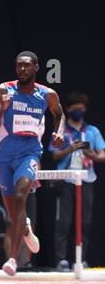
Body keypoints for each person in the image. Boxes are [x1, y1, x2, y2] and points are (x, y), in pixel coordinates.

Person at [0, 51, 64, 277]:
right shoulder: (3, 91)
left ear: (36, 68)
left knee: (21, 197)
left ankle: (13, 259)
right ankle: (26, 227)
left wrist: (58, 133)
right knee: (14, 213)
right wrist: (2, 109)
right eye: (19, 66)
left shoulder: (47, 94)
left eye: (27, 66)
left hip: (29, 153)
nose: (22, 70)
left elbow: (59, 114)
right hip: (4, 154)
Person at [48, 91, 105, 270]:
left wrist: (92, 155)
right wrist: (70, 148)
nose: (78, 111)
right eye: (75, 108)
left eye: (81, 108)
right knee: (63, 222)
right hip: (66, 180)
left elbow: (102, 155)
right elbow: (55, 155)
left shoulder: (92, 131)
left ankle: (80, 258)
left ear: (85, 109)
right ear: (68, 109)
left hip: (86, 179)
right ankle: (61, 259)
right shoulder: (61, 131)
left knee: (85, 221)